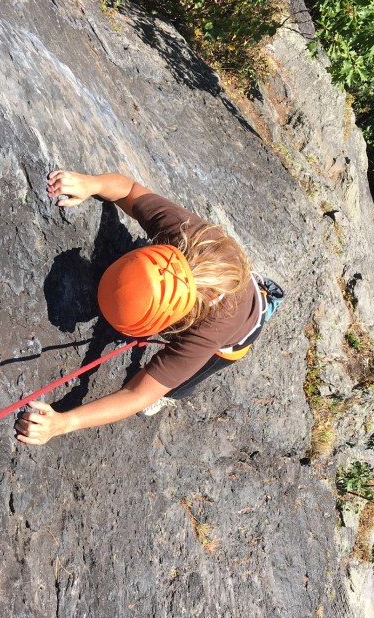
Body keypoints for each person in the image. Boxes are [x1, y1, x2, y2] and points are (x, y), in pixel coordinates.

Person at [14, 170, 282, 447]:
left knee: (177, 384)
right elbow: (129, 190)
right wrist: (91, 184)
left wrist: (64, 423)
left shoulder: (206, 334)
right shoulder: (183, 233)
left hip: (231, 342)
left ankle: (171, 395)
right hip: (227, 275)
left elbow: (138, 394)